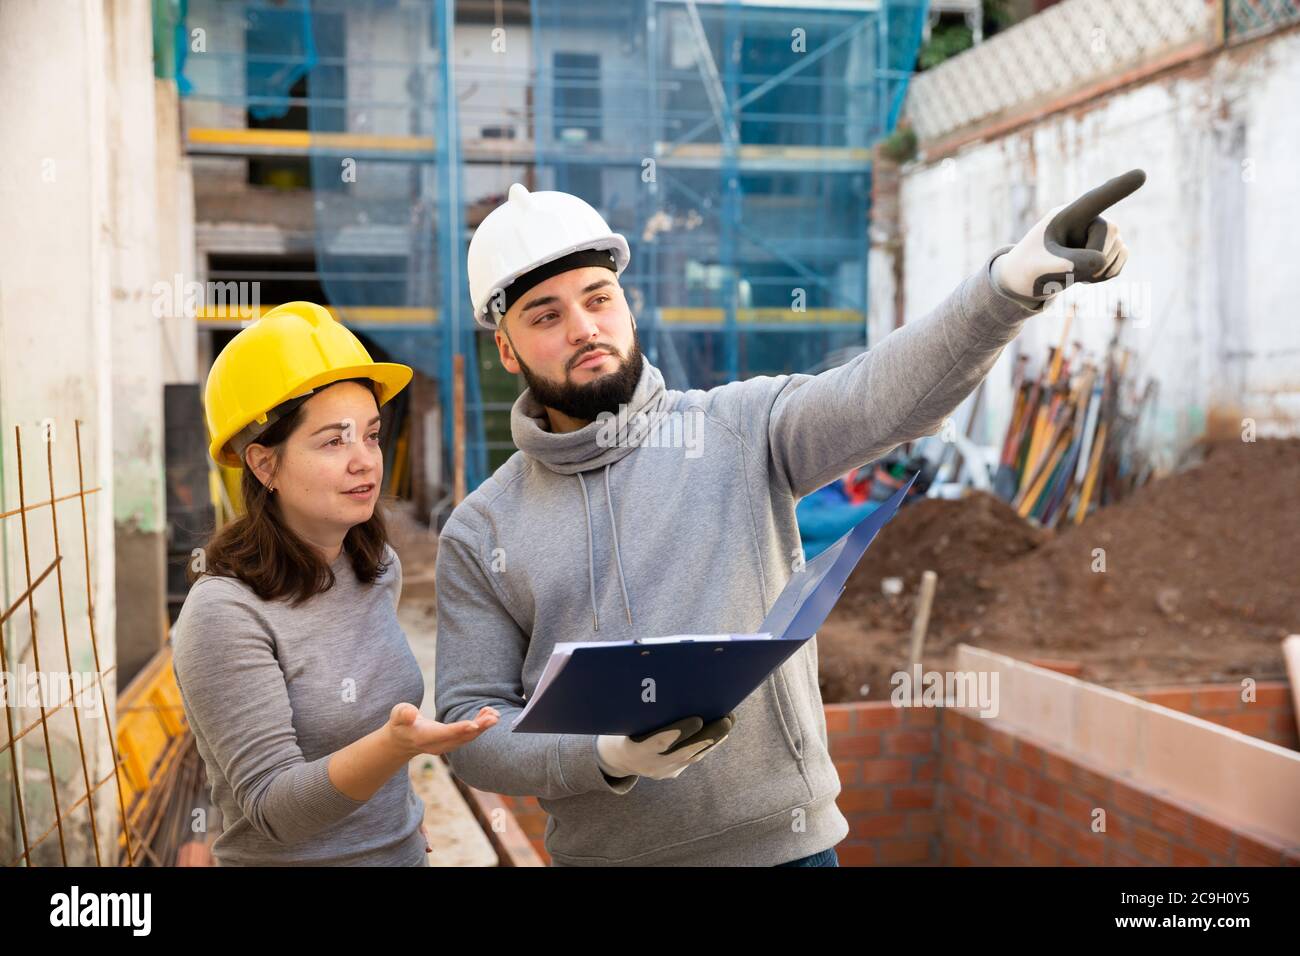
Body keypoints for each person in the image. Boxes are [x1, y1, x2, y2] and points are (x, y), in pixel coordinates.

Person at [435, 172, 1144, 866]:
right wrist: (603, 756)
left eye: (599, 298)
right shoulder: (482, 530)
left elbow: (881, 399)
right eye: (546, 315)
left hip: (789, 854)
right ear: (506, 349)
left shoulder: (739, 429)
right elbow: (471, 732)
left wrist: (1008, 287)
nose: (585, 328)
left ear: (628, 304)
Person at [172, 301, 499, 866]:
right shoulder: (226, 612)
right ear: (263, 464)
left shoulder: (375, 569)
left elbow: (360, 739)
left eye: (370, 436)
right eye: (333, 441)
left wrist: (398, 828)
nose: (366, 462)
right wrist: (394, 747)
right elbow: (273, 807)